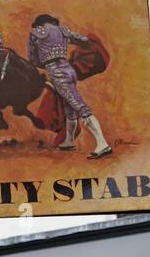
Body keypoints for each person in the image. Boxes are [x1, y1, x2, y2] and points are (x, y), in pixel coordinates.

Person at [27, 14, 112, 158]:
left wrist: (45, 61)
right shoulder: (63, 30)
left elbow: (33, 59)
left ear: (39, 23)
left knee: (79, 107)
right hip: (69, 70)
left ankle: (102, 143)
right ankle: (69, 140)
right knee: (69, 108)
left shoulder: (37, 32)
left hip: (57, 72)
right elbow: (84, 41)